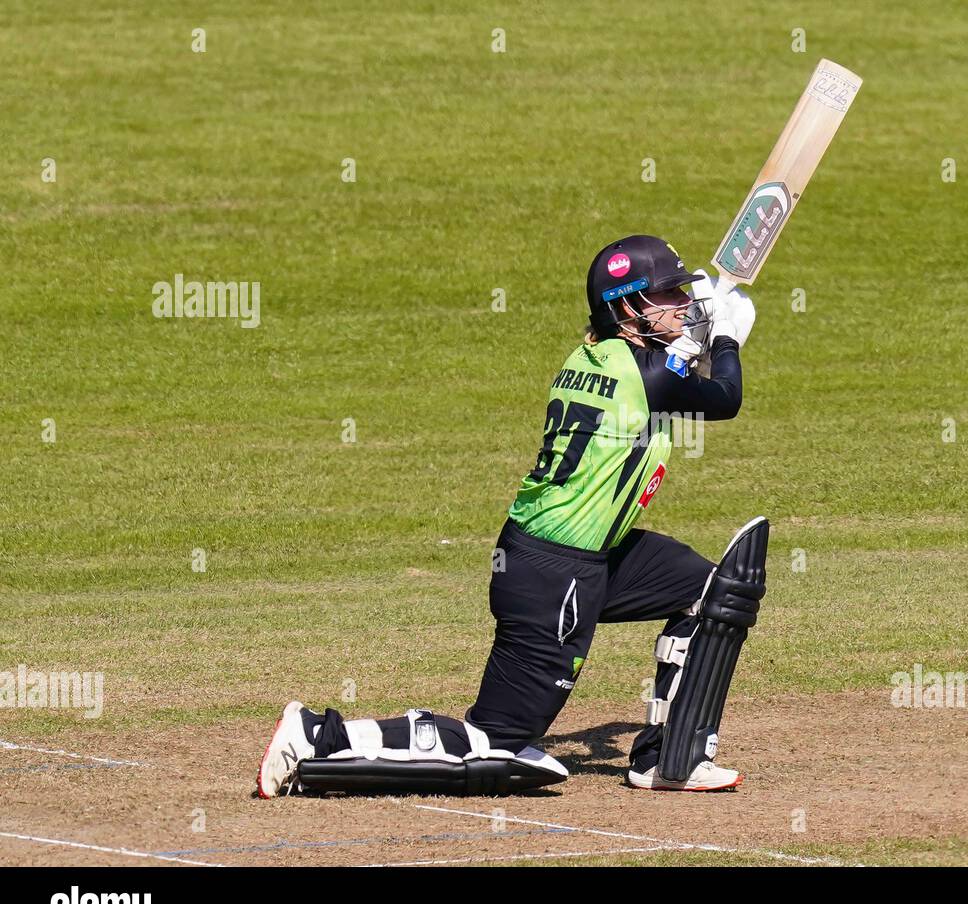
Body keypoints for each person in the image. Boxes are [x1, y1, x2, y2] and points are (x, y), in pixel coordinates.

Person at [256, 235, 762, 798]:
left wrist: (695, 338)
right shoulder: (647, 375)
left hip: (583, 554)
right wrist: (726, 339)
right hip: (554, 572)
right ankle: (318, 738)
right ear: (626, 307)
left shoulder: (594, 355)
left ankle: (671, 759)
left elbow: (669, 368)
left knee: (715, 590)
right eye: (666, 294)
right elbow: (723, 396)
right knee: (496, 743)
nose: (680, 304)